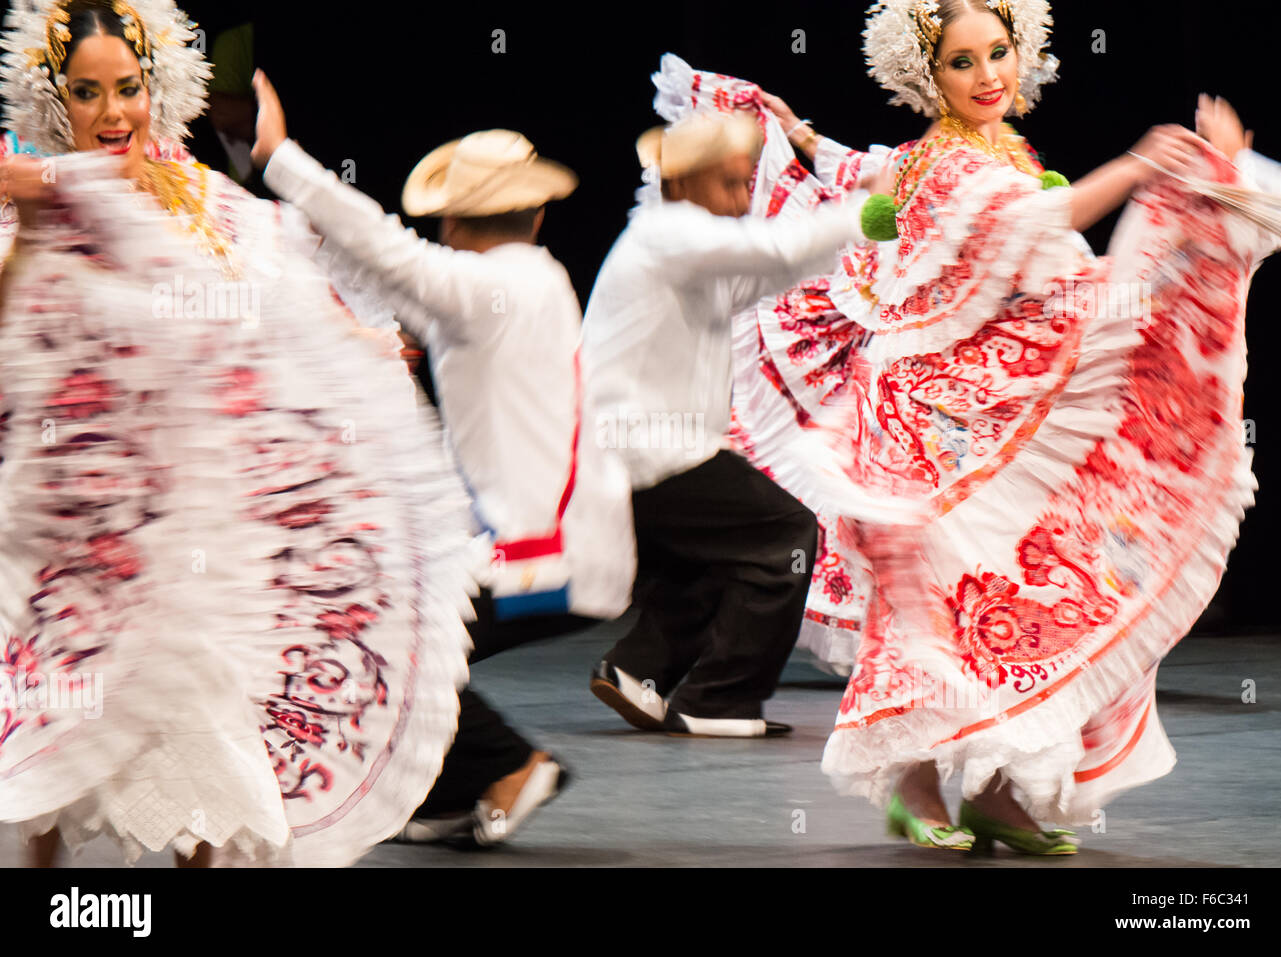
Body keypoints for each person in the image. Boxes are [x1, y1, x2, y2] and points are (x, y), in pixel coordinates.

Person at [680, 0, 1281, 851]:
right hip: (921, 412)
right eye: (962, 63)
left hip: (991, 393)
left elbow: (868, 173)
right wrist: (1142, 162)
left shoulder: (990, 149)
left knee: (1008, 589)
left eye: (997, 52)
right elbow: (1045, 219)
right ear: (928, 76)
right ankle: (916, 786)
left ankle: (998, 791)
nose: (988, 75)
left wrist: (809, 138)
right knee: (932, 607)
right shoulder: (952, 163)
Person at [0, 0, 475, 867]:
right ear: (51, 98)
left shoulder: (206, 202)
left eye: (129, 87)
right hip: (70, 539)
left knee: (209, 749)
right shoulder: (30, 202)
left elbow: (276, 316)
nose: (113, 113)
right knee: (50, 788)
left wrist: (357, 348)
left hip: (189, 540)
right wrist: (35, 231)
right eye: (87, 92)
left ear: (158, 85)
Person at [249, 73, 637, 845]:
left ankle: (511, 766)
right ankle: (447, 792)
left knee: (389, 637)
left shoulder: (491, 288)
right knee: (401, 635)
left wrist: (279, 158)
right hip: (555, 545)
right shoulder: (529, 279)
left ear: (455, 219)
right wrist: (309, 234)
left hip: (543, 559)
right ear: (535, 212)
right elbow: (398, 277)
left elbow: (397, 257)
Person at [582, 107, 876, 738]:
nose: (746, 197)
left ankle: (638, 670)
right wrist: (863, 211)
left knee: (706, 561)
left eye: (747, 182)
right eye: (731, 183)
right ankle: (720, 700)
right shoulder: (671, 233)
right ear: (684, 183)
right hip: (647, 448)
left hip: (636, 447)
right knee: (787, 536)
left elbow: (769, 270)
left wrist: (855, 236)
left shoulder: (675, 243)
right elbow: (773, 247)